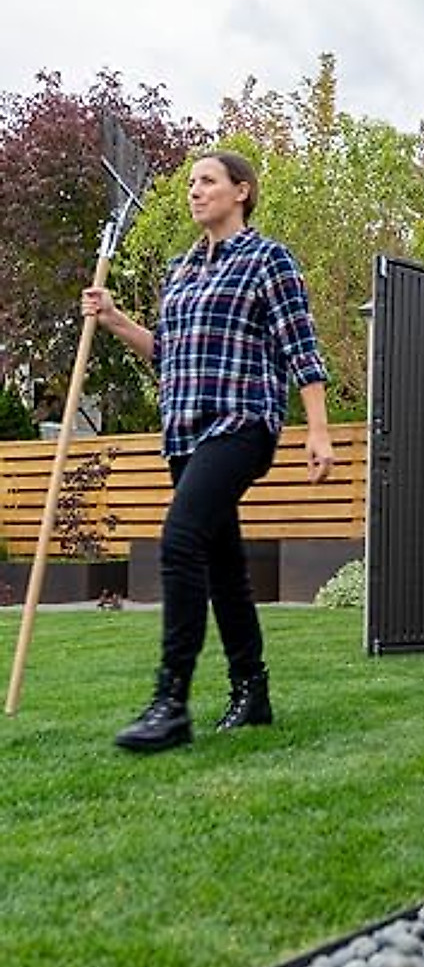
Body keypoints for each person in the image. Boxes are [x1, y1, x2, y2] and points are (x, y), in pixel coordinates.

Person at [83, 150, 334, 753]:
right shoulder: (182, 270)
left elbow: (301, 347)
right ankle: (253, 692)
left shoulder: (267, 260)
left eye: (207, 181)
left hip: (243, 423)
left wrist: (320, 429)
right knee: (224, 568)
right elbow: (166, 352)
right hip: (186, 431)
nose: (194, 191)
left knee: (181, 539)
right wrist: (116, 319)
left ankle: (170, 703)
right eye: (190, 183)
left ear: (241, 191)